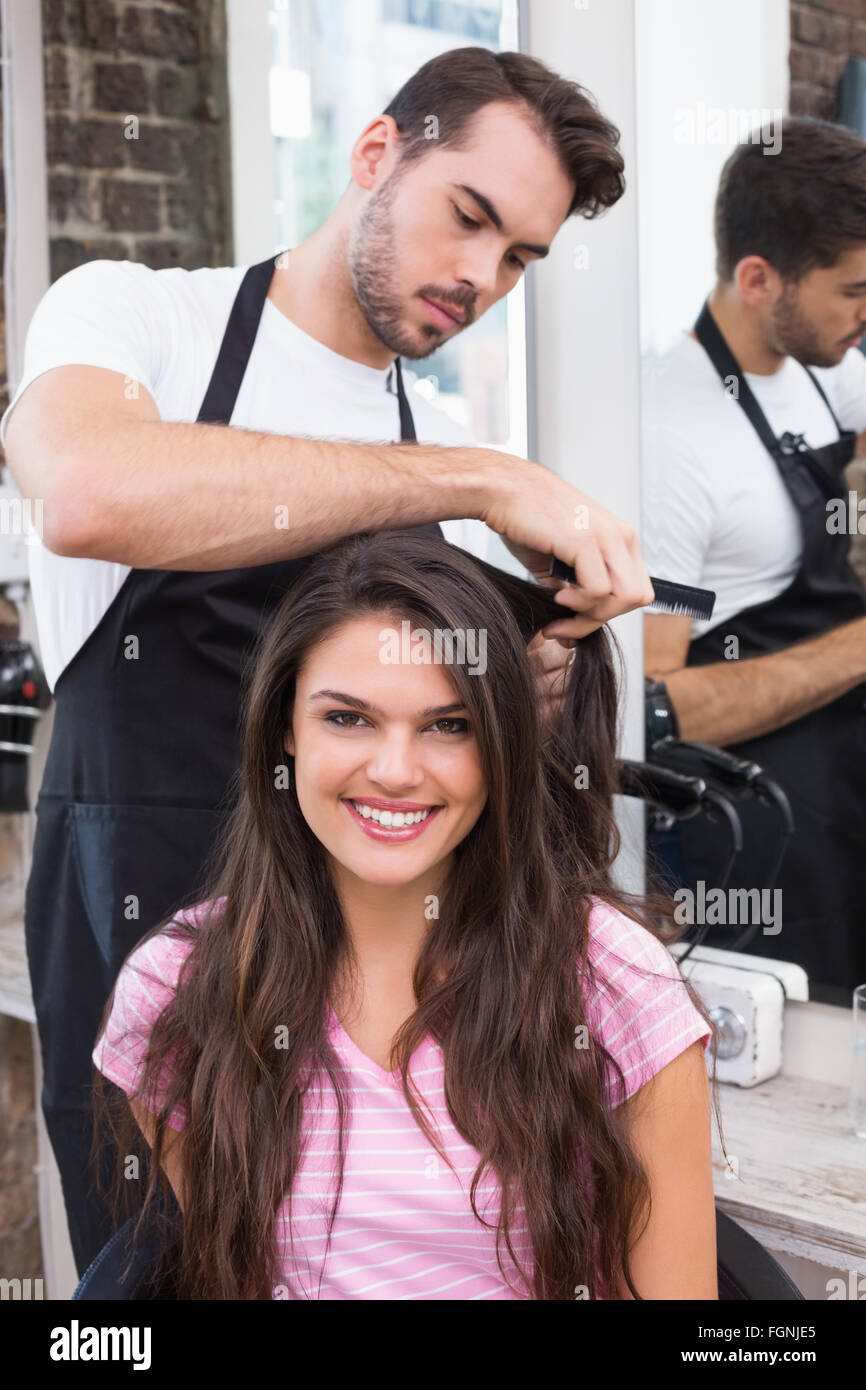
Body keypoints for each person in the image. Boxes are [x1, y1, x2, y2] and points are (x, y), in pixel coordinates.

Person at [2, 46, 655, 1276]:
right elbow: (85, 492)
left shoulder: (436, 447)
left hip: (359, 976)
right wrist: (485, 478)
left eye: (518, 257)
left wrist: (519, 686)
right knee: (159, 1274)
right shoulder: (141, 316)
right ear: (373, 155)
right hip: (148, 933)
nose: (480, 275)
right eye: (467, 217)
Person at [91, 528, 718, 1301]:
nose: (393, 772)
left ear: (503, 742)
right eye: (347, 718)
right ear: (286, 726)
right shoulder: (177, 989)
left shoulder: (612, 982)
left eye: (447, 726)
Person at [641, 116, 866, 998]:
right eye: (852, 291)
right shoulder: (674, 444)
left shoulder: (820, 363)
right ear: (759, 278)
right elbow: (658, 709)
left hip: (837, 753)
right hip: (763, 809)